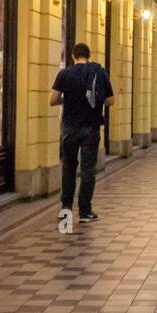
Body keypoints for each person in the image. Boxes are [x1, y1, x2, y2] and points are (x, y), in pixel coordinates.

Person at [50, 43, 113, 224]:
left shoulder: (64, 73)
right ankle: (85, 212)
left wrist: (67, 99)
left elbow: (52, 100)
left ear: (73, 56)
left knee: (68, 167)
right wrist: (95, 99)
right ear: (88, 55)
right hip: (91, 127)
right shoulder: (99, 73)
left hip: (69, 127)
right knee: (87, 170)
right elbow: (111, 100)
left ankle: (66, 209)